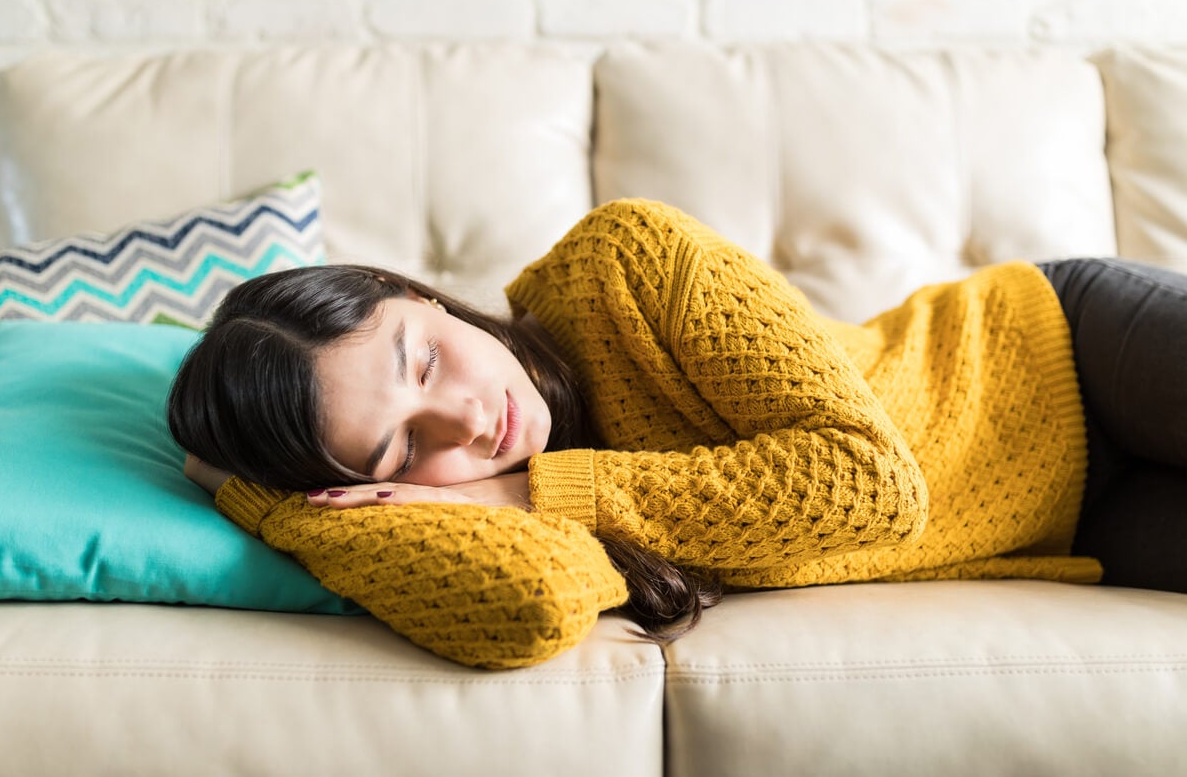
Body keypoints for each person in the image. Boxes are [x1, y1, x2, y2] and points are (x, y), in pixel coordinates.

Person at [168, 199, 1187, 669]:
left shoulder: (622, 265)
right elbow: (528, 607)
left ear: (419, 295)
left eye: (425, 363)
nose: (471, 424)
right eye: (399, 451)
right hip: (1072, 523)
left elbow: (875, 485)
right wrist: (279, 506)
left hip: (1058, 351)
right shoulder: (508, 518)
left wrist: (531, 489)